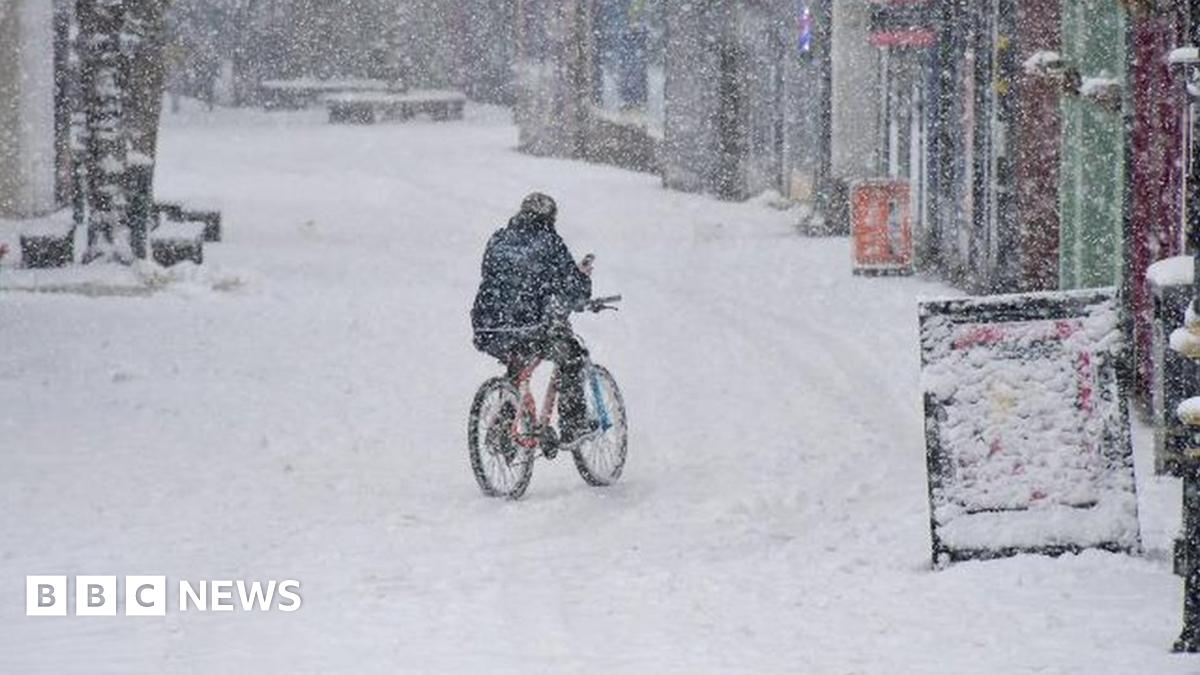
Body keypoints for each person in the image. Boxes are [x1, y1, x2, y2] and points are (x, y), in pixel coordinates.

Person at [472, 193, 594, 444]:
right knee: (572, 356)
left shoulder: (498, 239)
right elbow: (574, 289)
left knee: (518, 362)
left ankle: (504, 421)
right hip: (531, 326)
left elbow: (498, 280)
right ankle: (575, 425)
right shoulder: (549, 241)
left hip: (489, 327)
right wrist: (583, 279)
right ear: (550, 217)